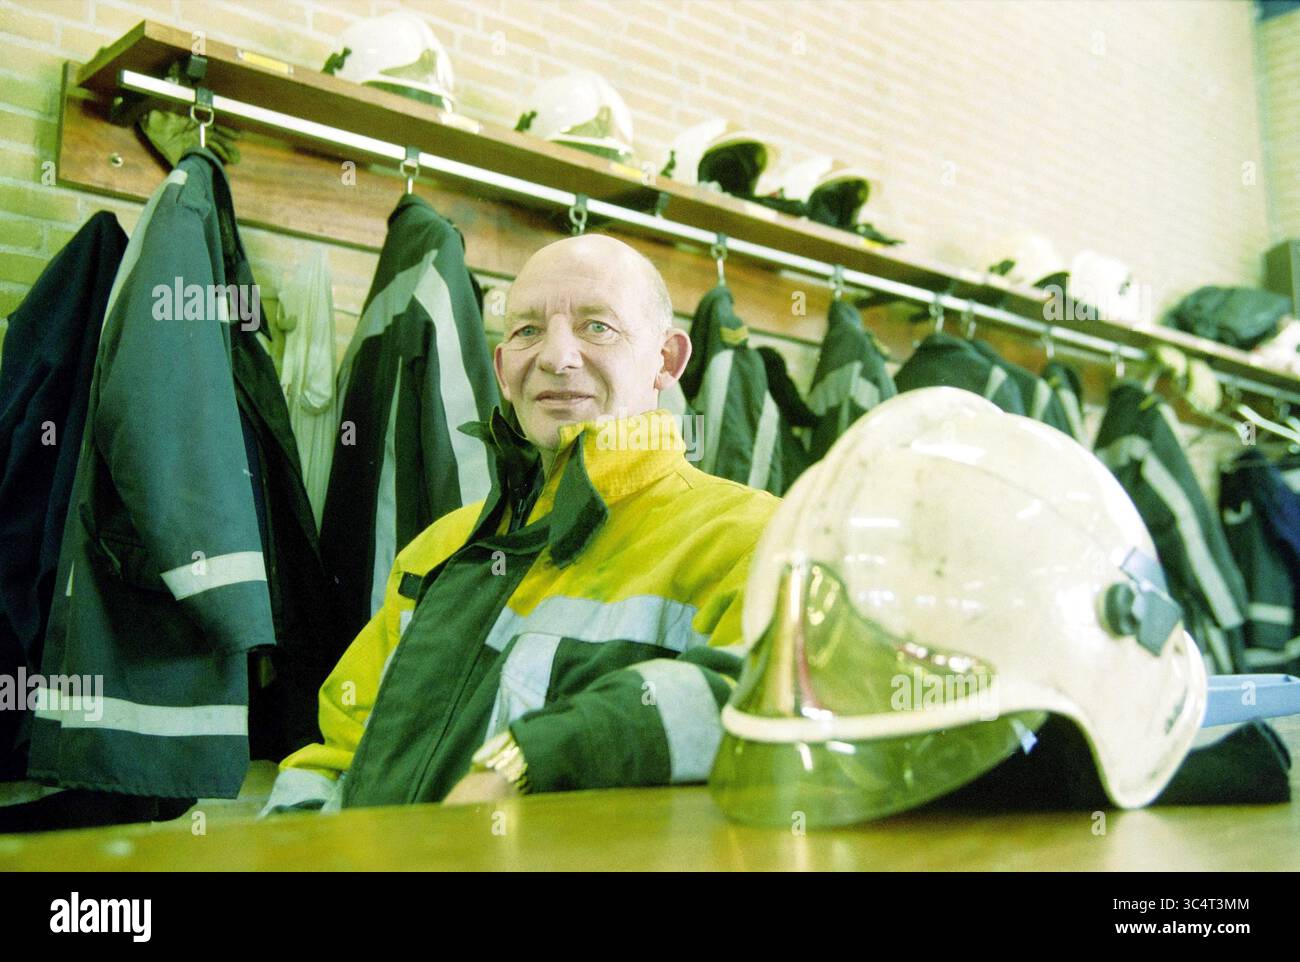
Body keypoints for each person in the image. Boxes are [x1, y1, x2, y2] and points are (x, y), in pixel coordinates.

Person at [261, 234, 781, 814]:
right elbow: (340, 747)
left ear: (666, 361)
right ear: (503, 368)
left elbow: (768, 701)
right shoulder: (436, 549)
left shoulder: (751, 536)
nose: (556, 358)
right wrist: (293, 837)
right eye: (528, 330)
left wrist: (530, 758)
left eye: (596, 327)